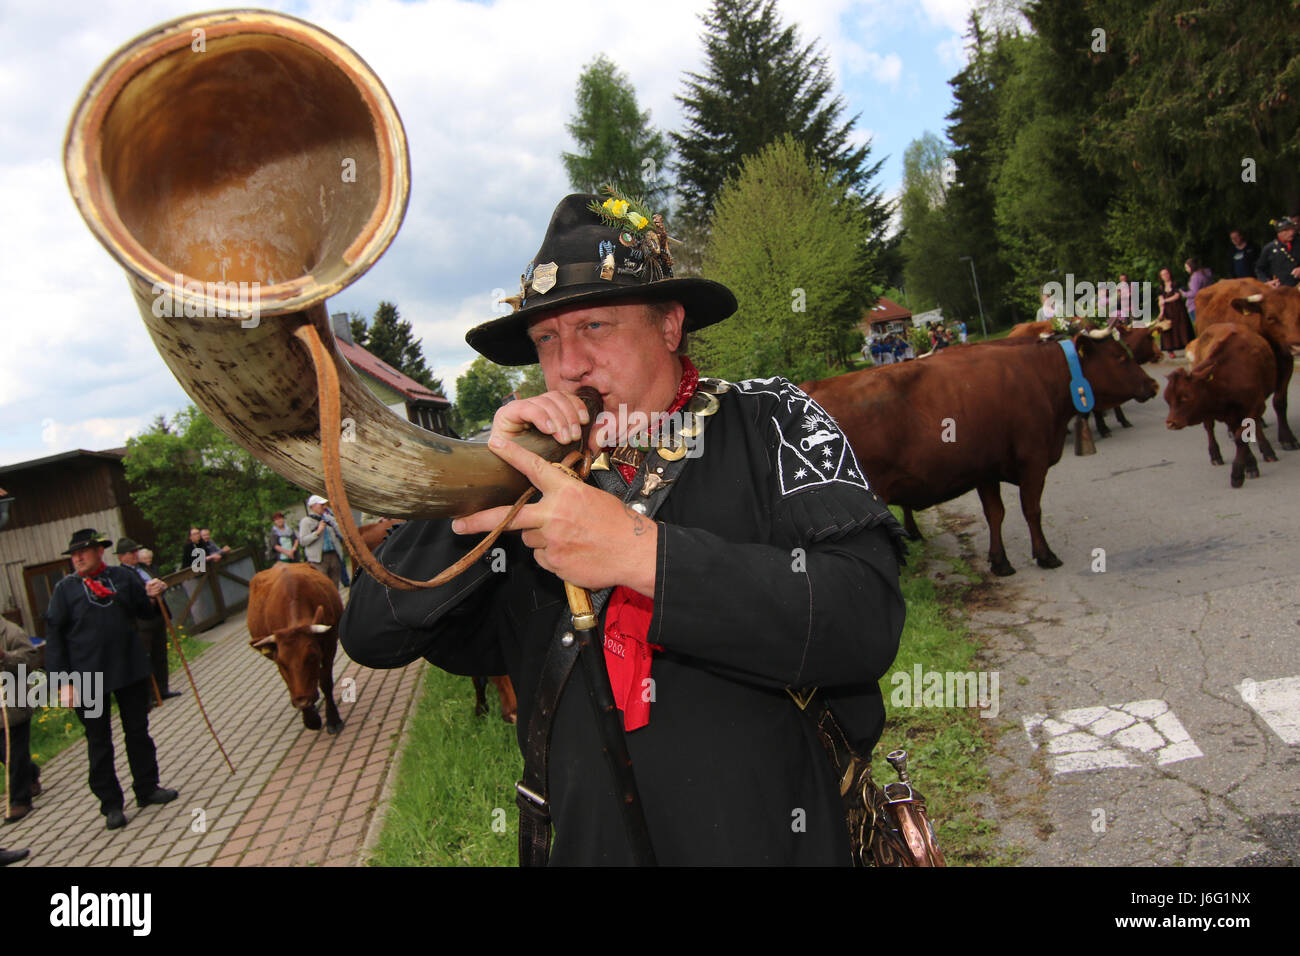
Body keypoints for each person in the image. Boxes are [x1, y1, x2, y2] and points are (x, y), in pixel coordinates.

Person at [340, 193, 906, 865]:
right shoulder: (532, 472)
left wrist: (642, 555)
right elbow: (372, 631)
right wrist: (490, 470)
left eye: (596, 327)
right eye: (546, 339)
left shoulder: (776, 419)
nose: (568, 364)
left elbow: (863, 619)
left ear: (669, 324)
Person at [44, 529, 178, 830]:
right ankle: (111, 805)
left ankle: (147, 788)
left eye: (84, 551)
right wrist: (62, 683)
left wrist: (156, 594)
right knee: (99, 741)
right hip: (86, 680)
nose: (77, 557)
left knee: (138, 732)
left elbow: (146, 612)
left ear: (99, 551)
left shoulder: (122, 577)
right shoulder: (64, 590)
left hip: (127, 669)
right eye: (74, 554)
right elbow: (53, 637)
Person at [115, 537, 178, 703]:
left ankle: (163, 688)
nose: (136, 554)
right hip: (141, 621)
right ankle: (150, 694)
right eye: (131, 552)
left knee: (160, 653)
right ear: (121, 556)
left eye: (136, 551)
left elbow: (158, 579)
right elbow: (130, 596)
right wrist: (147, 593)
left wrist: (161, 586)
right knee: (145, 657)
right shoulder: (122, 575)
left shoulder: (144, 568)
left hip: (158, 613)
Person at [0, 616, 41, 824]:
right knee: (5, 753)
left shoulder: (11, 632)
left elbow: (30, 660)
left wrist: (5, 656)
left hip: (14, 704)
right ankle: (31, 773)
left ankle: (19, 800)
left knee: (14, 753)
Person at [300, 495, 344, 588]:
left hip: (334, 555)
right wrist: (317, 532)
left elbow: (342, 534)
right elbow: (303, 541)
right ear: (313, 506)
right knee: (323, 587)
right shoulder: (306, 521)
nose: (325, 507)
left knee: (335, 586)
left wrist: (334, 523)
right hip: (318, 560)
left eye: (325, 505)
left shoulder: (329, 518)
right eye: (321, 505)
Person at [1156, 266, 1194, 358]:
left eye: (1167, 274)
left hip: (1178, 309)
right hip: (1168, 311)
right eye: (1163, 275)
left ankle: (1188, 348)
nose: (1165, 276)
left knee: (1183, 327)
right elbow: (1161, 301)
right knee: (1168, 330)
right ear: (1161, 277)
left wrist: (1166, 300)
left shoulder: (1176, 284)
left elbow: (1177, 295)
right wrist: (1161, 312)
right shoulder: (1160, 288)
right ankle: (1170, 351)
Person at [1255, 217, 1300, 287]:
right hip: (1280, 289)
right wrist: (1267, 282)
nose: (1291, 233)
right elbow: (1259, 269)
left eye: (1292, 229)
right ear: (1279, 233)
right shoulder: (1269, 248)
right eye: (1286, 230)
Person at [1183, 257, 1213, 328]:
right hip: (1206, 302)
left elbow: (1194, 293)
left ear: (1191, 267)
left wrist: (1183, 293)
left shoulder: (1195, 277)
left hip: (1195, 305)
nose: (1186, 269)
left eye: (1187, 267)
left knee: (1202, 327)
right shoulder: (1206, 273)